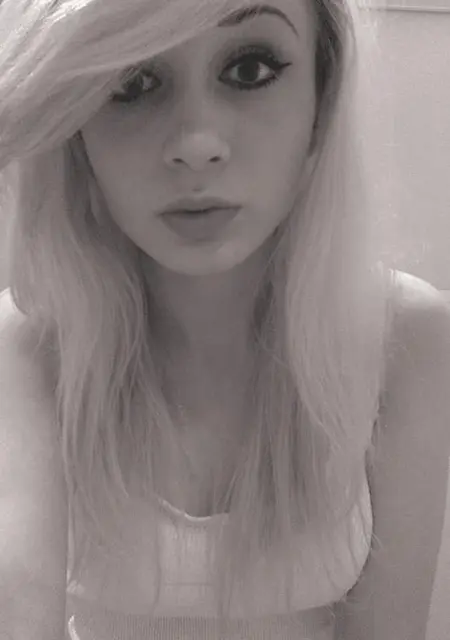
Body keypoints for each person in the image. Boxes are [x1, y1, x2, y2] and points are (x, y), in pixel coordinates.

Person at [0, 0, 449, 639]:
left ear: (321, 102)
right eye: (132, 81)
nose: (196, 144)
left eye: (249, 70)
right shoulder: (27, 344)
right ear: (76, 127)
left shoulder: (408, 340)